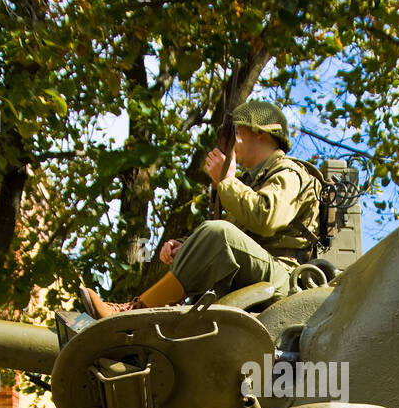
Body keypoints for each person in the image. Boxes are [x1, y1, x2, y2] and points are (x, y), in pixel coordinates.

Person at [80, 100, 321, 317]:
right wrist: (188, 247)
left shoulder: (291, 173)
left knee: (217, 234)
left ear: (259, 132)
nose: (231, 144)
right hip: (257, 269)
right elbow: (240, 235)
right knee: (212, 236)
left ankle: (135, 311)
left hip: (285, 277)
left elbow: (265, 218)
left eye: (237, 133)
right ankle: (149, 319)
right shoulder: (253, 181)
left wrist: (227, 182)